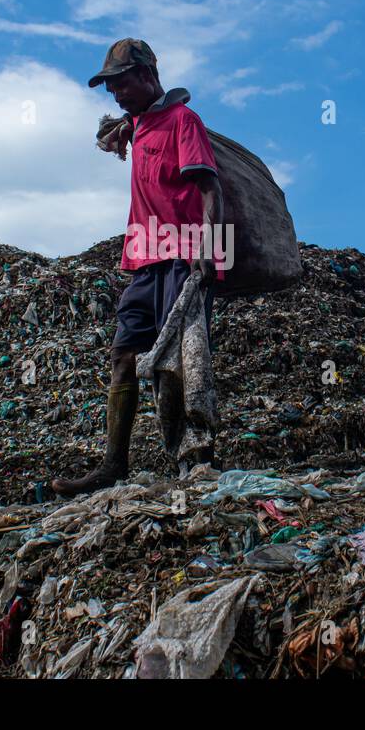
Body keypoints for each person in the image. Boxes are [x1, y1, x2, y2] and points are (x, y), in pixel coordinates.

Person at [50, 38, 223, 496]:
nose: (115, 93)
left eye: (120, 84)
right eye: (110, 88)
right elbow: (117, 125)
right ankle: (113, 465)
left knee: (182, 362)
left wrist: (209, 244)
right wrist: (119, 127)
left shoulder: (184, 121)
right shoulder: (140, 122)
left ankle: (198, 461)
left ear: (147, 74)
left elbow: (209, 188)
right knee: (124, 357)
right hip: (143, 262)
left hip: (184, 257)